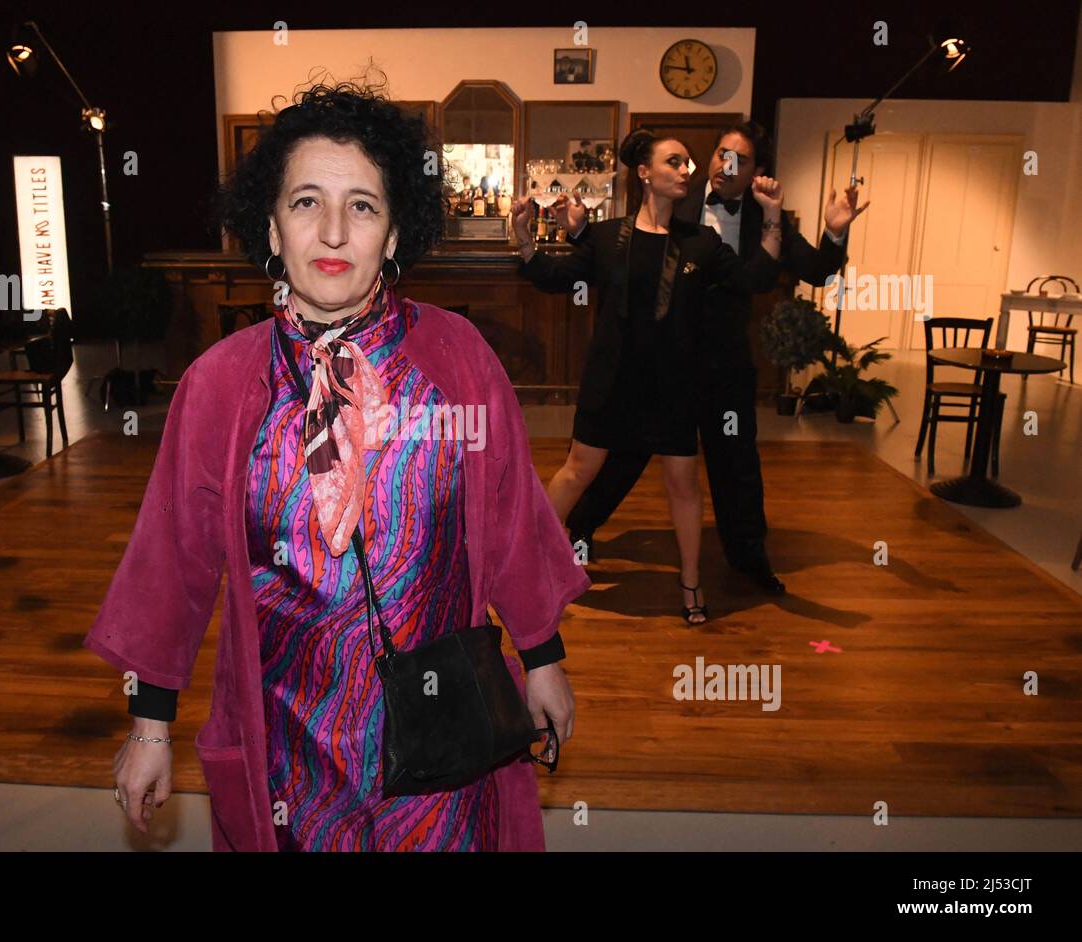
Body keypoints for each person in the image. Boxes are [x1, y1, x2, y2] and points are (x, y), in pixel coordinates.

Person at [83, 79, 590, 852]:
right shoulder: (220, 385)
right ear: (271, 228)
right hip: (290, 744)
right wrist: (150, 727)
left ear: (393, 235)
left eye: (362, 206)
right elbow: (172, 564)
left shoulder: (458, 360)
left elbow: (513, 519)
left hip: (439, 741)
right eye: (305, 202)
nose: (331, 232)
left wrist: (543, 658)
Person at [562, 122, 868, 593]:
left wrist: (834, 233)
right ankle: (576, 531)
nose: (728, 165)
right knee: (624, 453)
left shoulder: (768, 218)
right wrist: (577, 232)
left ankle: (748, 558)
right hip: (658, 363)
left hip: (721, 365)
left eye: (741, 160)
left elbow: (817, 271)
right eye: (723, 153)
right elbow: (611, 253)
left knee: (736, 461)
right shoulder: (672, 191)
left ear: (757, 172)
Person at [514, 128, 782, 624]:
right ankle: (526, 567)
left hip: (675, 387)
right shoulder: (606, 237)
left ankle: (691, 584)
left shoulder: (700, 242)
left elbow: (756, 278)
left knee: (683, 485)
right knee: (576, 473)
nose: (688, 171)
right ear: (644, 173)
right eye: (675, 162)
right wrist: (526, 238)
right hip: (611, 382)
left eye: (688, 164)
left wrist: (770, 217)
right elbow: (555, 278)